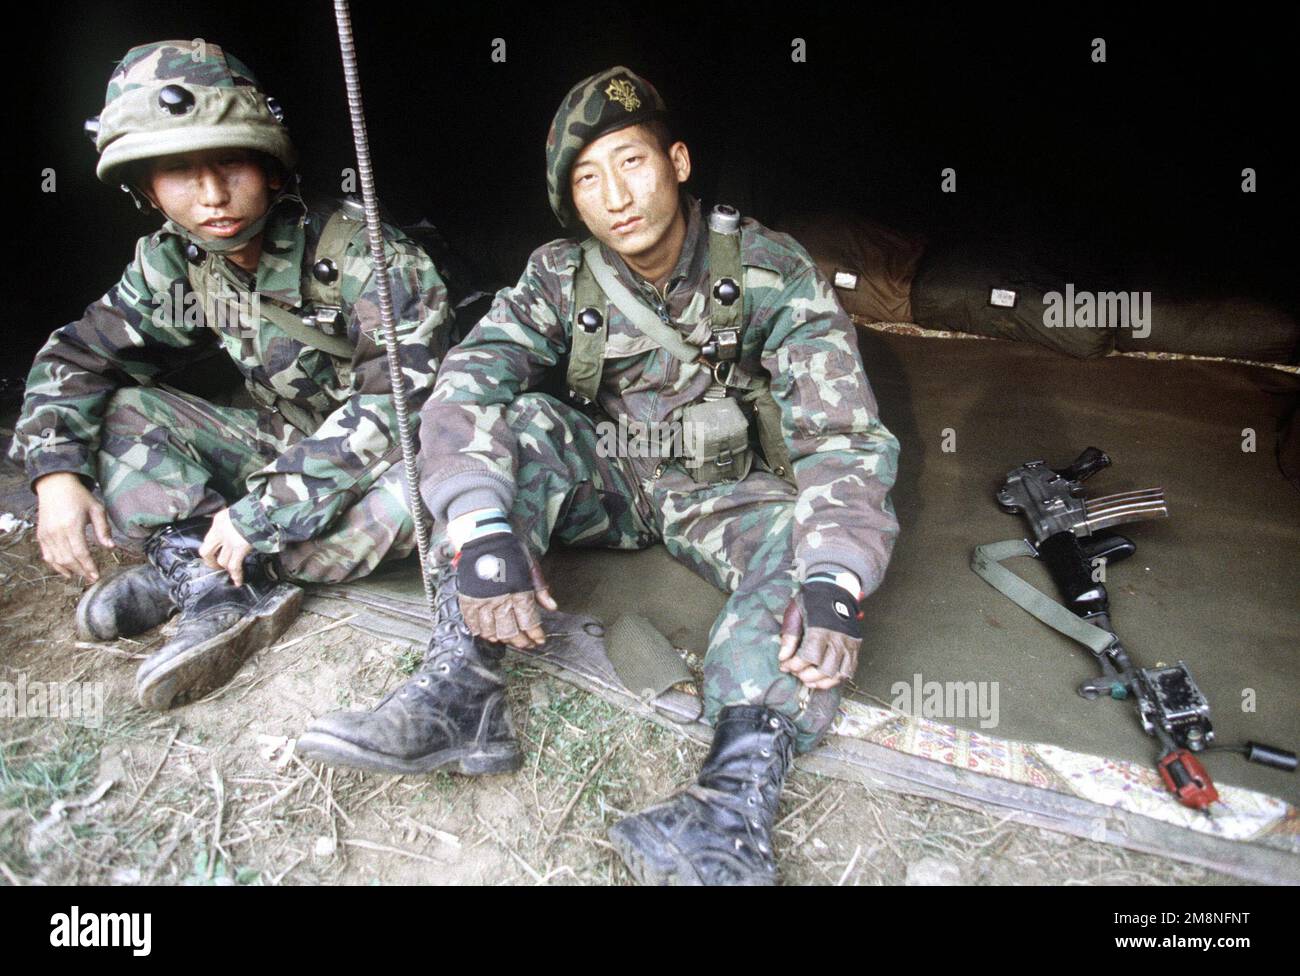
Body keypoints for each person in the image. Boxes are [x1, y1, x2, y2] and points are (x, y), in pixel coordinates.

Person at [298, 67, 899, 885]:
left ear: (678, 162)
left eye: (632, 162)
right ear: (572, 202)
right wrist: (479, 530)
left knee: (809, 561)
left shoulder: (769, 267)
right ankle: (462, 692)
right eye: (588, 178)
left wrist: (838, 573)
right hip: (613, 470)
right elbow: (470, 380)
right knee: (517, 431)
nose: (615, 195)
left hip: (728, 490)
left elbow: (842, 430)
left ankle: (730, 806)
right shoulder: (558, 275)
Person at [9, 40, 450, 710]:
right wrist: (53, 476)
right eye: (179, 172)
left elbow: (400, 408)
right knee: (119, 414)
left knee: (424, 501)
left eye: (230, 163)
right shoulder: (174, 265)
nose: (212, 194)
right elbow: (78, 359)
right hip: (285, 443)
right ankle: (214, 581)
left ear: (272, 168)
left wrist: (262, 515)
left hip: (391, 452)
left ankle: (221, 566)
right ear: (145, 188)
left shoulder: (367, 257)